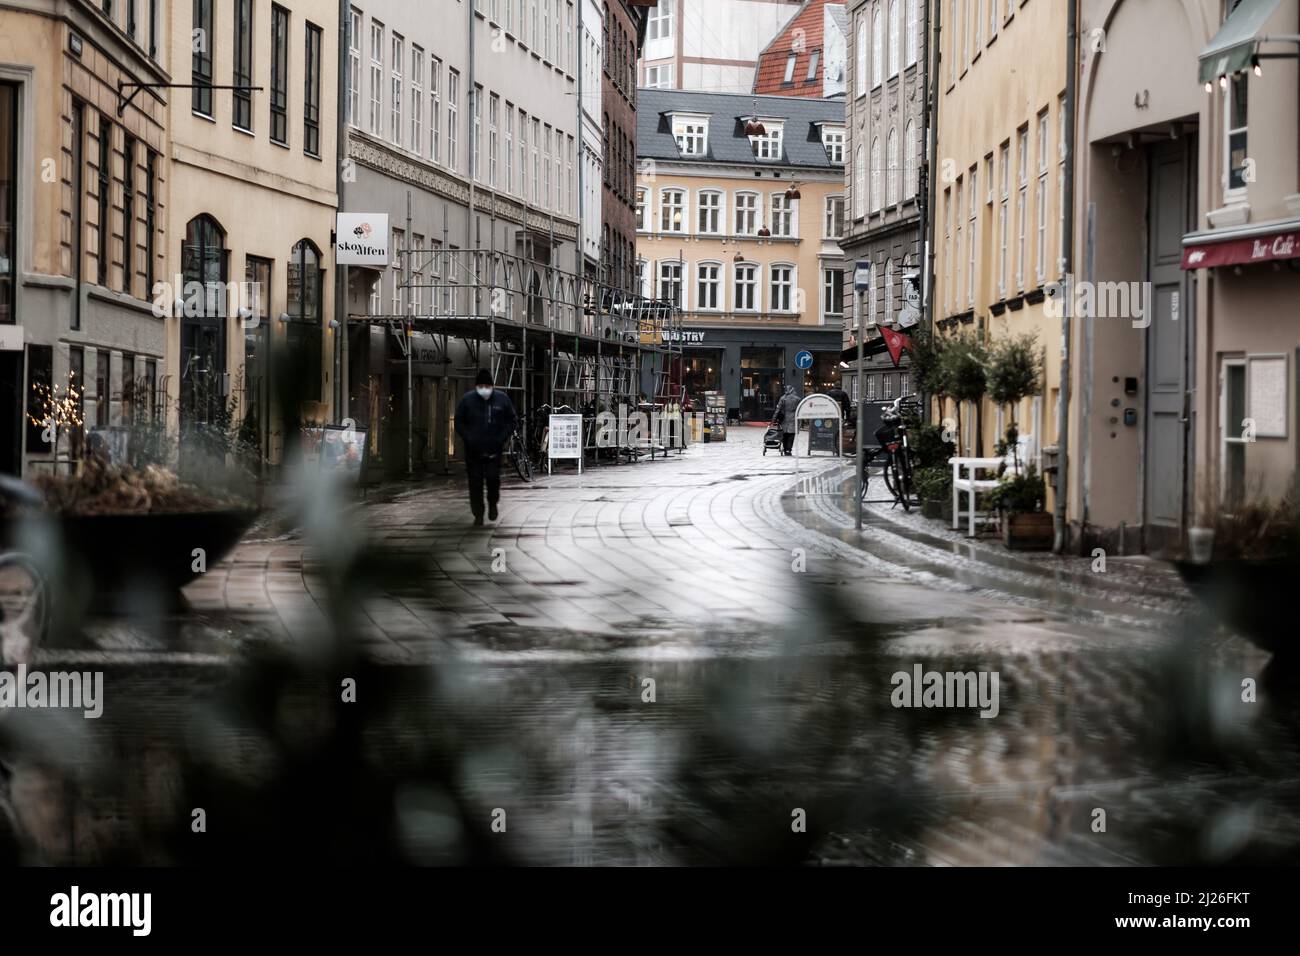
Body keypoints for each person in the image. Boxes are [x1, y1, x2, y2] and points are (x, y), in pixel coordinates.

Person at [454, 369, 518, 525]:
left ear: (492, 386)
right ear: (476, 386)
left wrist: (501, 437)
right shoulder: (467, 400)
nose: (484, 389)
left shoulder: (501, 400)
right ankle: (478, 513)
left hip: (494, 448)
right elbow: (459, 422)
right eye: (481, 385)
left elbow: (512, 420)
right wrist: (468, 437)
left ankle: (492, 503)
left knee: (492, 479)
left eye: (487, 385)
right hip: (473, 450)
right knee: (475, 482)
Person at [773, 385, 801, 456]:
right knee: (791, 434)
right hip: (793, 418)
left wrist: (774, 419)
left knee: (784, 434)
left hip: (784, 419)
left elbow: (778, 410)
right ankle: (789, 450)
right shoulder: (797, 399)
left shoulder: (783, 398)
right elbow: (800, 410)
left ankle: (785, 449)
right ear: (792, 390)